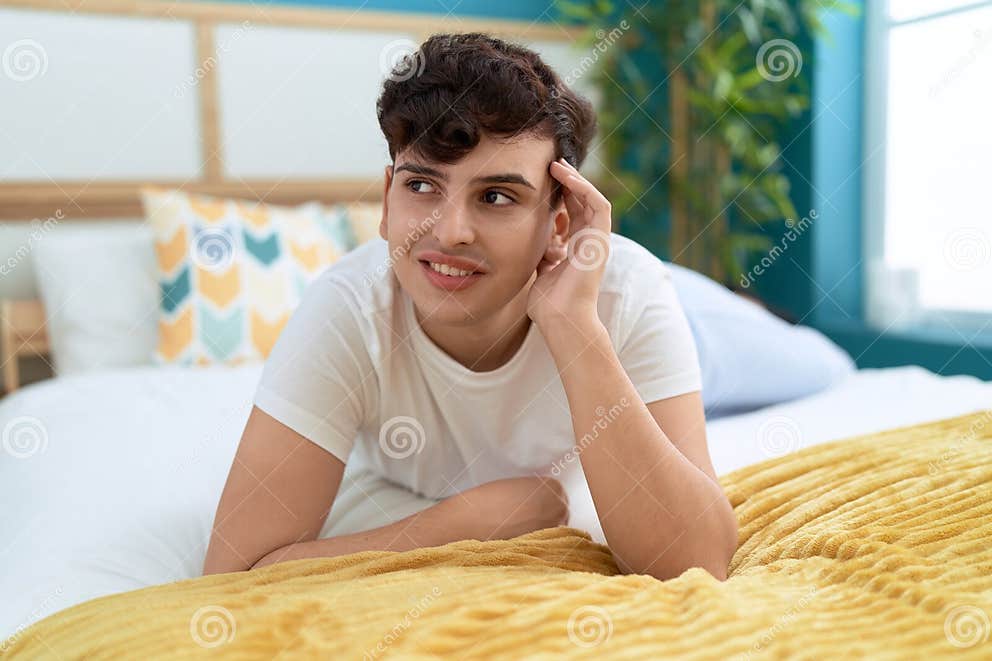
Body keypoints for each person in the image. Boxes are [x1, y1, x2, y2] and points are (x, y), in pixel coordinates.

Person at [202, 32, 737, 581]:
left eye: (496, 196)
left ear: (558, 226)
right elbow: (234, 574)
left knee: (788, 356)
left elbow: (698, 563)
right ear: (387, 202)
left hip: (676, 312)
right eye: (422, 186)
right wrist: (459, 522)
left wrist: (574, 325)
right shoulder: (347, 309)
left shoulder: (628, 290)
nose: (452, 232)